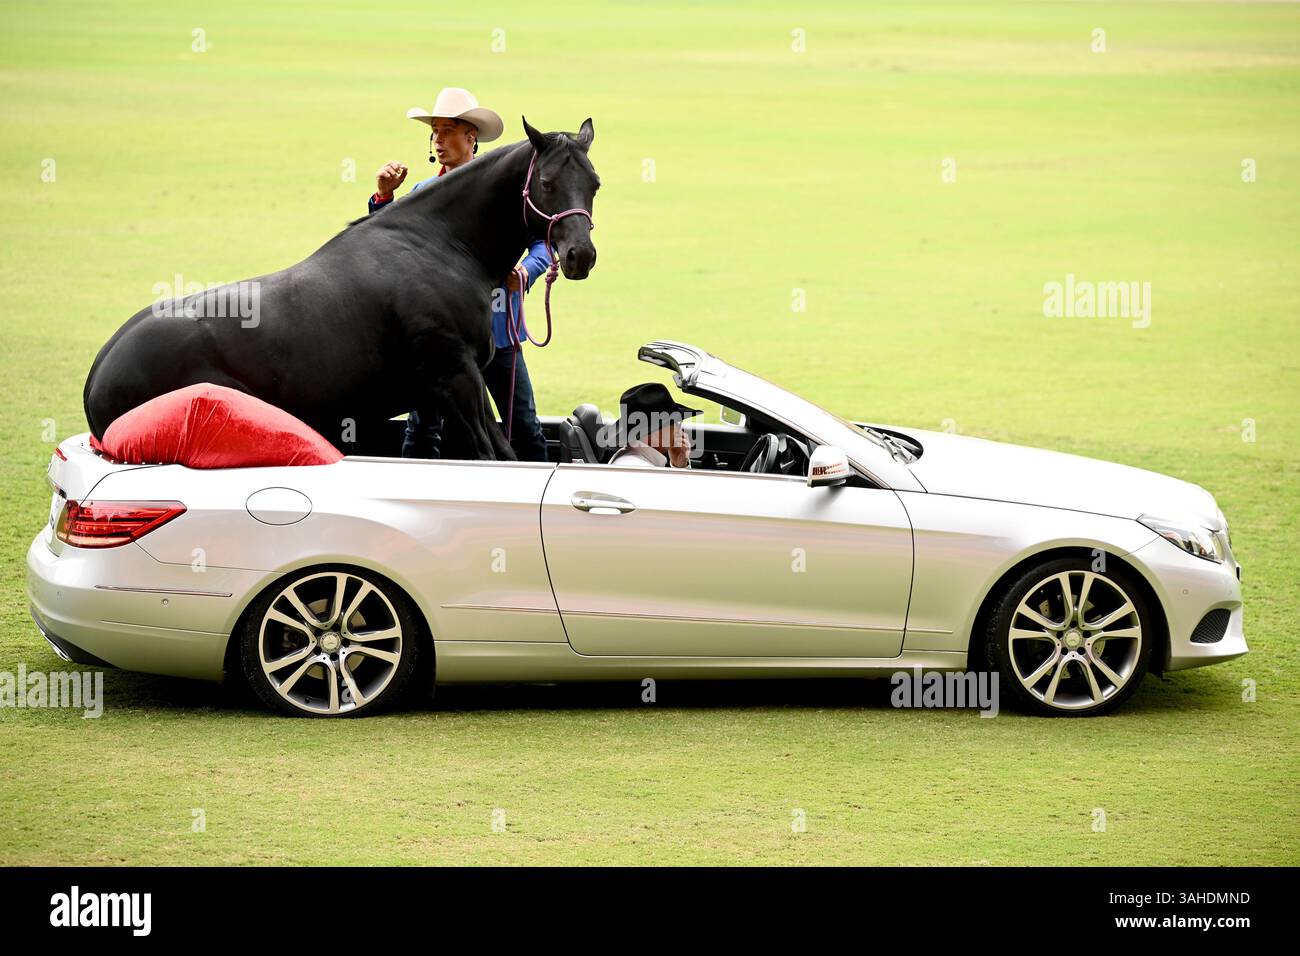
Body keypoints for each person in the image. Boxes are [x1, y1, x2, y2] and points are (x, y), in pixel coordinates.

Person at [368, 87, 551, 461]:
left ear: (471, 137)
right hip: (438, 339)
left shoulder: (505, 195)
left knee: (524, 427)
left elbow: (544, 243)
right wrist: (384, 198)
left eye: (448, 130)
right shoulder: (423, 192)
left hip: (499, 333)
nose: (438, 139)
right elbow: (387, 247)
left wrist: (527, 271)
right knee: (423, 430)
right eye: (434, 131)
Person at [608, 383, 700, 469]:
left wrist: (679, 464)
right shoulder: (640, 469)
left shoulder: (635, 461)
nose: (679, 428)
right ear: (654, 432)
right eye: (674, 422)